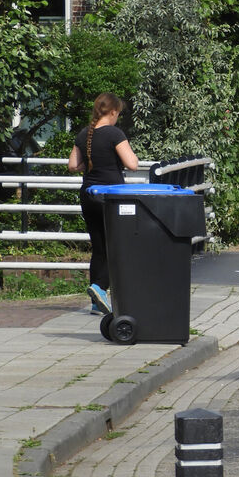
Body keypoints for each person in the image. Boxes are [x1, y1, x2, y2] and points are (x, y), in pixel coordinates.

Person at [68, 93, 139, 315]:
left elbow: (72, 165)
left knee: (99, 247)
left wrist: (93, 163)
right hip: (110, 196)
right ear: (113, 112)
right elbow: (132, 163)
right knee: (116, 245)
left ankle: (96, 301)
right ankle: (100, 287)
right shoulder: (114, 133)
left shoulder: (84, 134)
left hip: (88, 195)